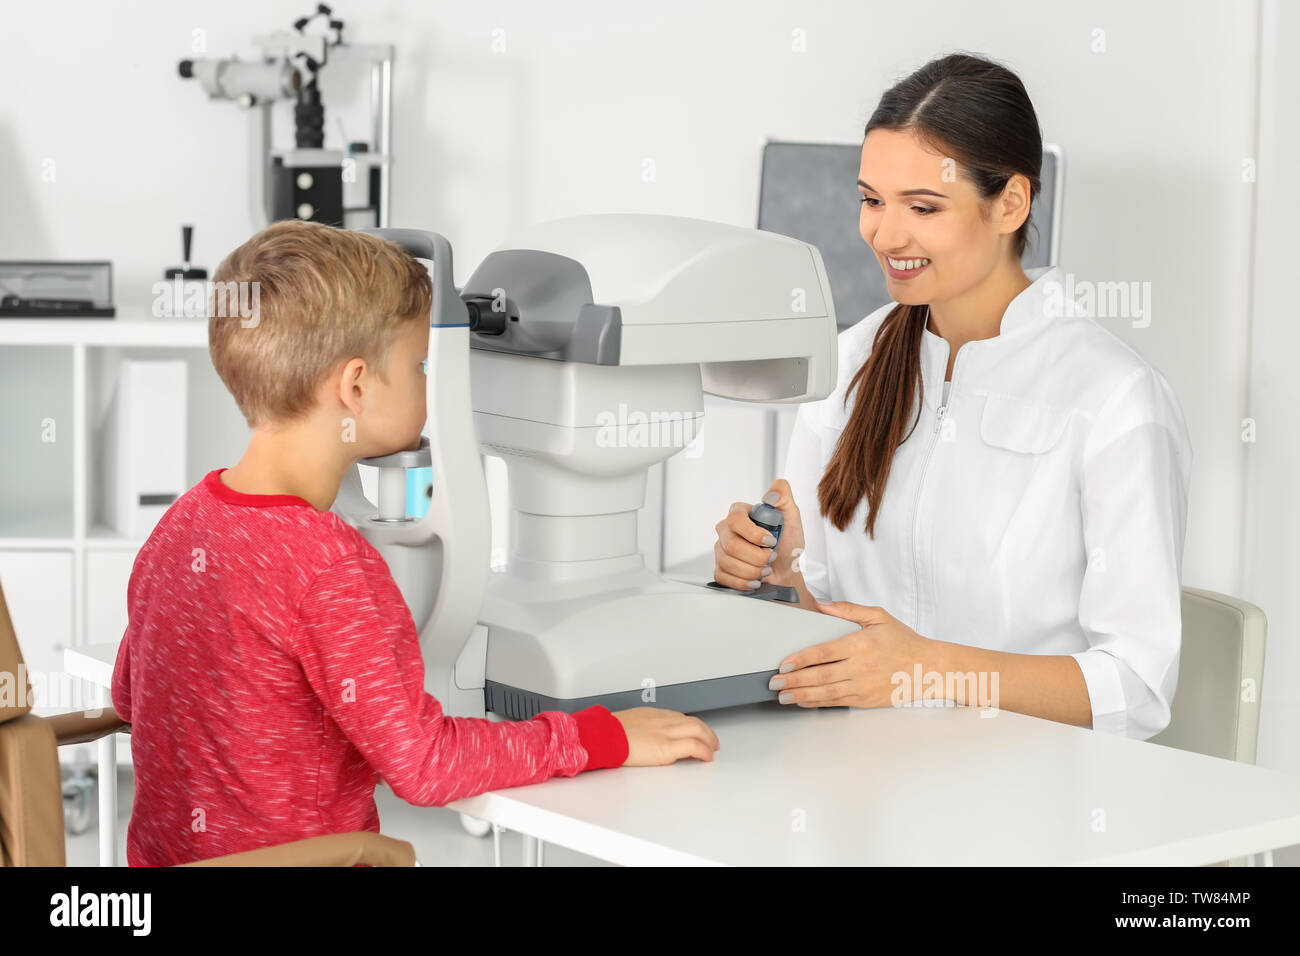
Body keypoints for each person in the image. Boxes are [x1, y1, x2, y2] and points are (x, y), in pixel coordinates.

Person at [111, 219, 718, 866]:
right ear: (355, 387)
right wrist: (605, 737)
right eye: (421, 364)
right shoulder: (330, 565)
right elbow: (424, 765)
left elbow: (130, 697)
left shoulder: (181, 525)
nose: (433, 384)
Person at [713, 52, 1192, 740]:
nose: (886, 234)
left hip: (1030, 805)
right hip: (856, 779)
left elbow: (1135, 687)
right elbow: (821, 619)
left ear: (1011, 203)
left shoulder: (1113, 400)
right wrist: (776, 574)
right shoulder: (848, 363)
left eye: (924, 207)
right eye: (872, 200)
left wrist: (927, 670)